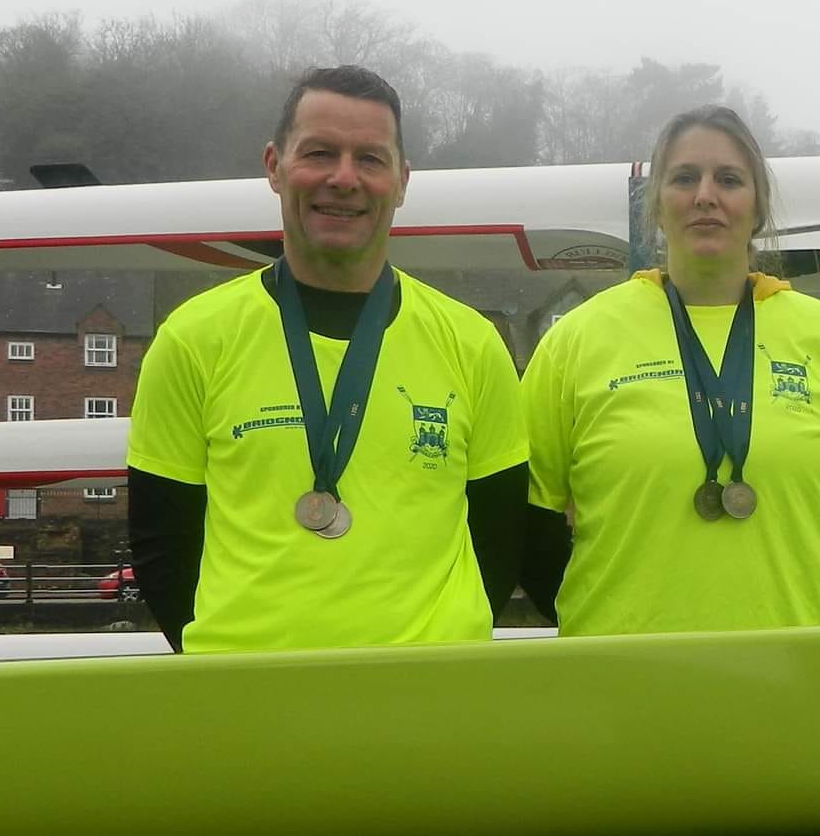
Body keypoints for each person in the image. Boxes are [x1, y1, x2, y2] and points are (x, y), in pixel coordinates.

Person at [125, 65, 528, 654]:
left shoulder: (473, 344)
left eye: (370, 158)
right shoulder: (193, 339)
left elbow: (499, 536)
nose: (344, 179)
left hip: (427, 697)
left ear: (402, 180)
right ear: (274, 165)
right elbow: (162, 540)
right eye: (319, 153)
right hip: (248, 698)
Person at [519, 105, 820, 636]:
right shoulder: (576, 341)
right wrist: (603, 614)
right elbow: (528, 526)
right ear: (656, 205)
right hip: (622, 680)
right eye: (685, 178)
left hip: (798, 677)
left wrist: (815, 608)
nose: (705, 196)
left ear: (757, 205)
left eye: (729, 179)